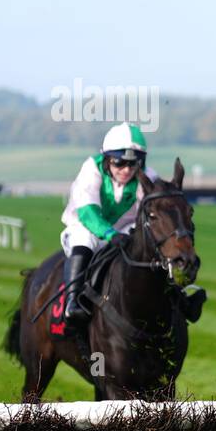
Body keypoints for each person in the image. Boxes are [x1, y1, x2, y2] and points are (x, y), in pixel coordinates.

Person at [58, 124, 156, 333]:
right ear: (107, 160)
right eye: (119, 163)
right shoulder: (91, 169)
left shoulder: (149, 177)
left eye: (133, 163)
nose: (127, 170)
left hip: (124, 232)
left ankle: (177, 296)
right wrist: (111, 235)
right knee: (85, 237)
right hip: (85, 227)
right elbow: (88, 213)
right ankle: (73, 303)